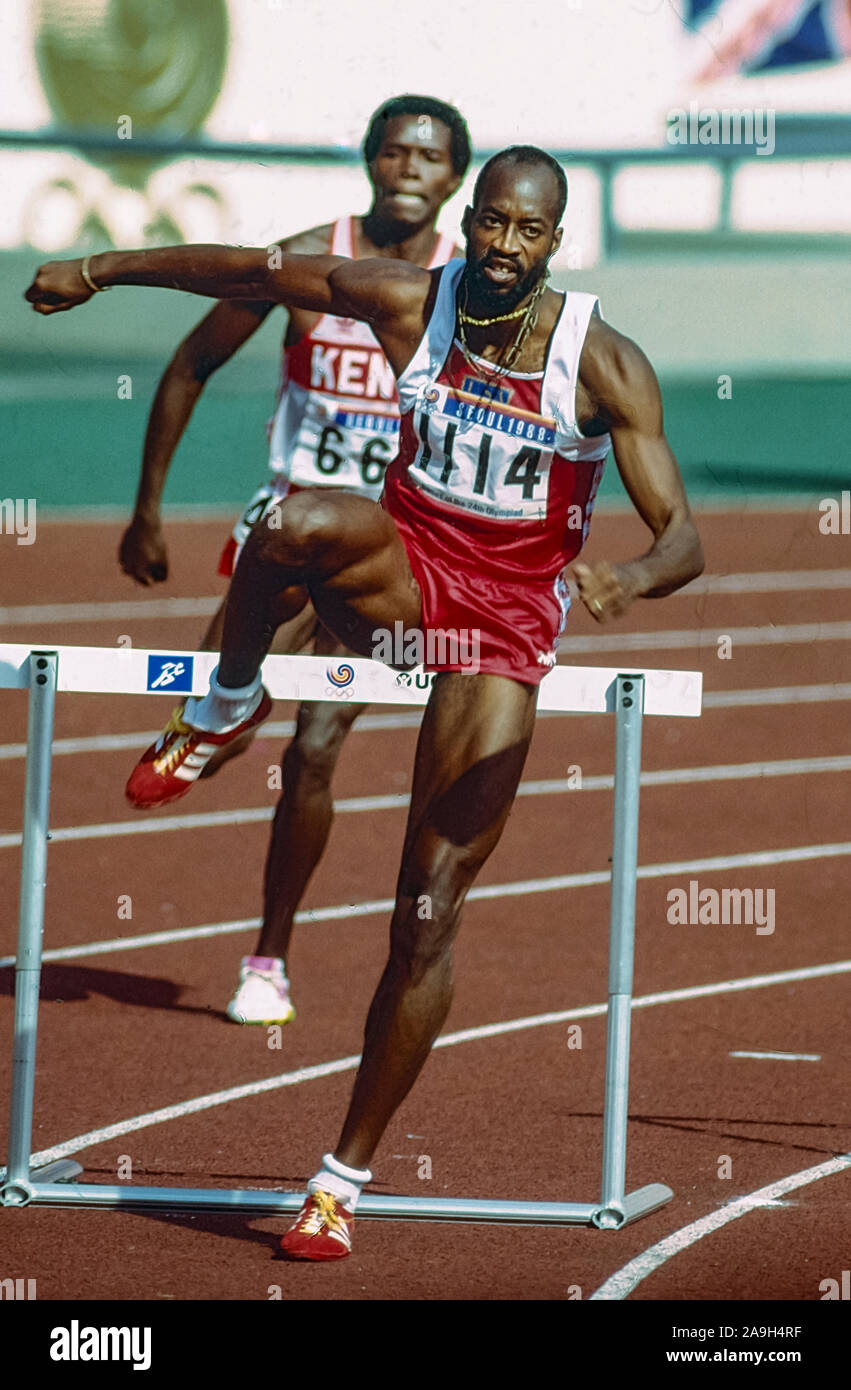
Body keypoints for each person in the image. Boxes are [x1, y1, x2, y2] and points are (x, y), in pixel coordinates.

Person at [26, 144, 705, 1261]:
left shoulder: (602, 361)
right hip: (404, 575)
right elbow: (251, 271)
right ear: (468, 221)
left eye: (526, 231)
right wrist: (100, 270)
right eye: (490, 222)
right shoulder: (407, 300)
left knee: (425, 906)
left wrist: (629, 578)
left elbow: (683, 538)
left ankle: (338, 1180)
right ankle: (227, 703)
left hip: (501, 630)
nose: (503, 246)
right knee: (289, 522)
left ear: (554, 240)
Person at [116, 95, 470, 1028]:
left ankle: (267, 961)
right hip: (283, 534)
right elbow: (191, 365)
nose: (409, 169)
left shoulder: (465, 286)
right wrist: (148, 508)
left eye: (429, 157)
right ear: (370, 160)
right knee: (221, 728)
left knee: (315, 750)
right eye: (394, 151)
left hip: (386, 549)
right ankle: (223, 717)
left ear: (454, 178)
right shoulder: (307, 261)